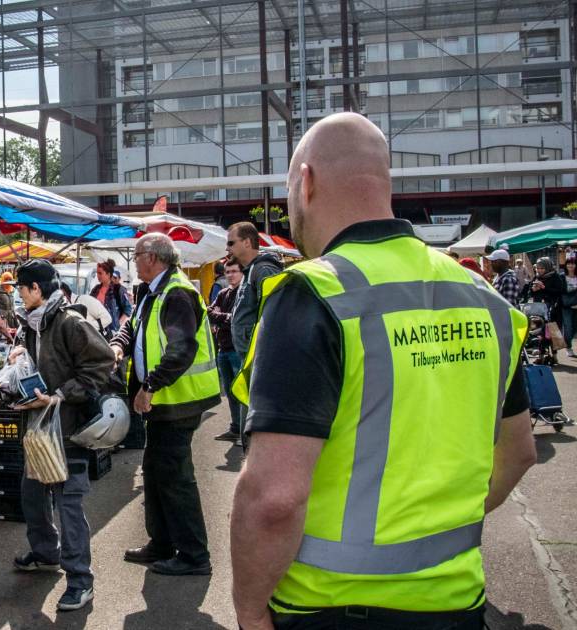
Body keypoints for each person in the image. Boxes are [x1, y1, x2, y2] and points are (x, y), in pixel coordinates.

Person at [229, 112, 535, 630]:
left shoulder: (312, 294)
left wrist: (248, 610)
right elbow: (520, 451)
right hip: (457, 601)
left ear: (306, 182)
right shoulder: (484, 299)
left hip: (329, 607)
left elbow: (274, 497)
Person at [110, 234, 221, 576]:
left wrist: (150, 385)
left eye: (137, 254)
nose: (133, 260)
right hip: (166, 401)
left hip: (178, 400)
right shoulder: (152, 290)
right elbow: (135, 328)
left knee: (174, 476)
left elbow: (181, 349)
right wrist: (118, 345)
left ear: (153, 258)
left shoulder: (176, 292)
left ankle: (193, 555)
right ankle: (162, 542)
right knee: (157, 472)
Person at [9, 260, 115, 613]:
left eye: (21, 289)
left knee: (68, 504)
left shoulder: (70, 321)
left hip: (68, 429)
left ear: (36, 289)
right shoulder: (32, 324)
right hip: (39, 428)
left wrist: (60, 395)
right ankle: (45, 553)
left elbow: (101, 365)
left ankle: (80, 581)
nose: (19, 297)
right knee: (32, 493)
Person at [227, 222, 283, 355]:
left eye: (231, 243)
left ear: (247, 242)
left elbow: (275, 316)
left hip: (261, 356)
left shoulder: (263, 270)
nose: (227, 248)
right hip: (252, 357)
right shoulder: (251, 270)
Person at [208, 260, 245, 443]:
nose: (230, 274)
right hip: (223, 348)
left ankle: (245, 432)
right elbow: (209, 313)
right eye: (227, 271)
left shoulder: (244, 293)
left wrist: (221, 316)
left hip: (237, 349)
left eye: (234, 271)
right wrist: (224, 316)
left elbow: (235, 319)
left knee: (242, 393)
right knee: (230, 392)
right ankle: (236, 428)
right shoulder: (223, 293)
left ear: (242, 272)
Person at [90, 260, 133, 334]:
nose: (98, 275)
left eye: (100, 273)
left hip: (111, 331)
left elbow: (128, 309)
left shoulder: (119, 289)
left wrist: (118, 325)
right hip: (96, 330)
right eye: (97, 273)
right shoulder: (95, 289)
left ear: (108, 274)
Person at [528, 257, 565, 326]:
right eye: (537, 268)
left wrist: (544, 288)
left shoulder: (555, 277)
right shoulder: (536, 277)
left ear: (547, 267)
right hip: (538, 308)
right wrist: (533, 290)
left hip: (552, 309)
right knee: (538, 329)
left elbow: (559, 291)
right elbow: (529, 292)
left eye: (542, 268)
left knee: (550, 331)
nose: (539, 270)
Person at [564, 259, 577, 358]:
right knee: (568, 327)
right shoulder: (562, 276)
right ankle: (568, 347)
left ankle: (568, 342)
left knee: (575, 328)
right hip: (566, 307)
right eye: (569, 264)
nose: (571, 265)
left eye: (573, 264)